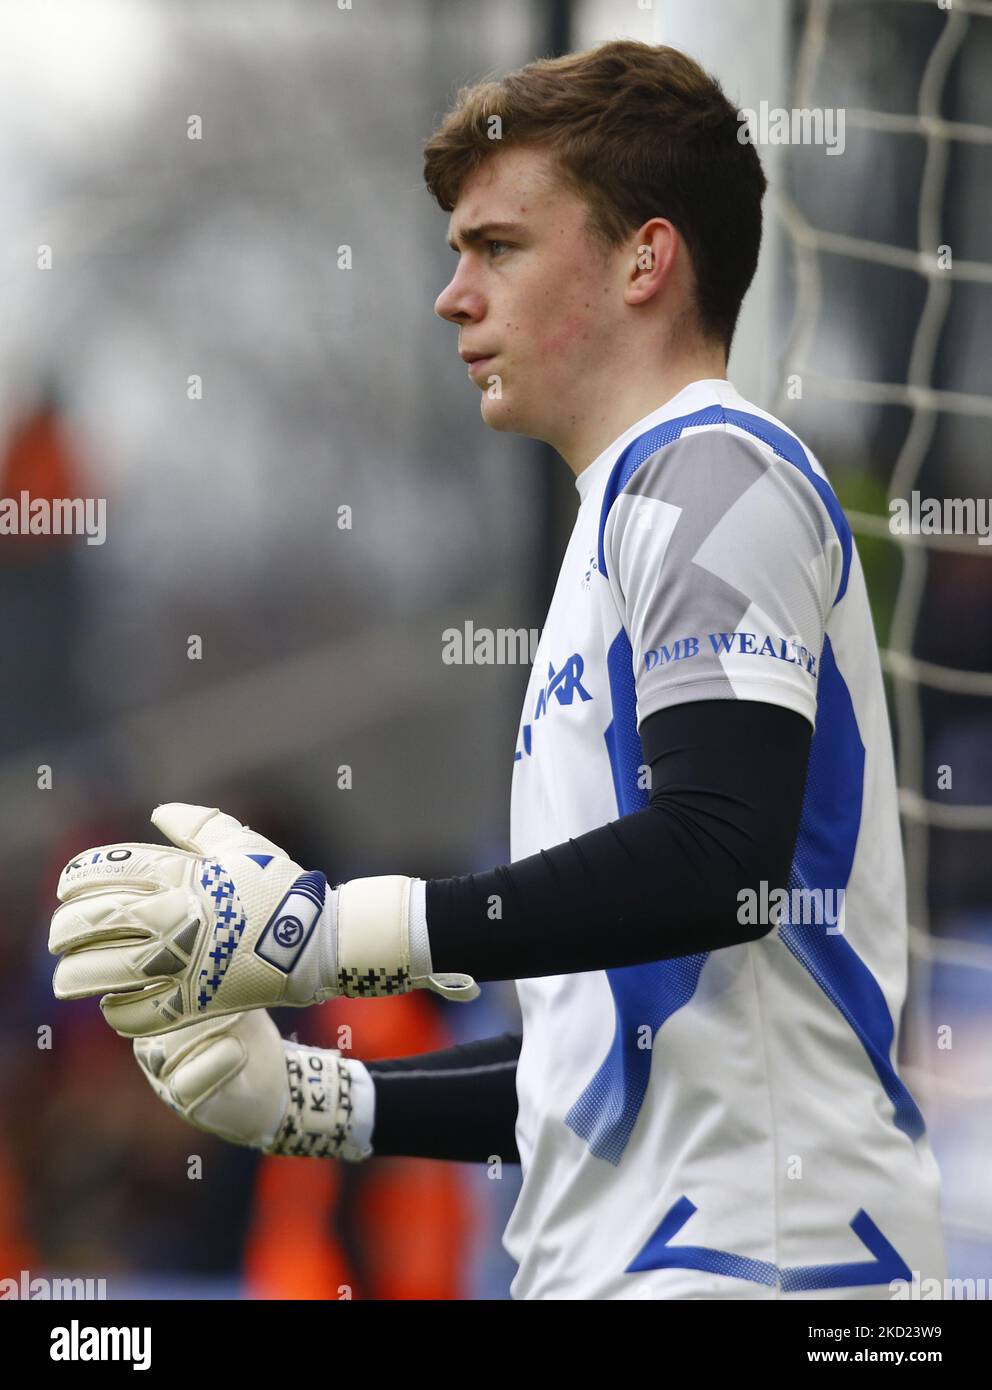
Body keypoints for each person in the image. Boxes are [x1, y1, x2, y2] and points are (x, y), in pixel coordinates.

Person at [49, 40, 946, 1301]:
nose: (451, 295)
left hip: (763, 1264)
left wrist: (331, 936)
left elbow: (720, 858)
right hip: (669, 1257)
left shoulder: (708, 469)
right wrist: (327, 1100)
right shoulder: (625, 516)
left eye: (499, 247)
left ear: (646, 257)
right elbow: (603, 1062)